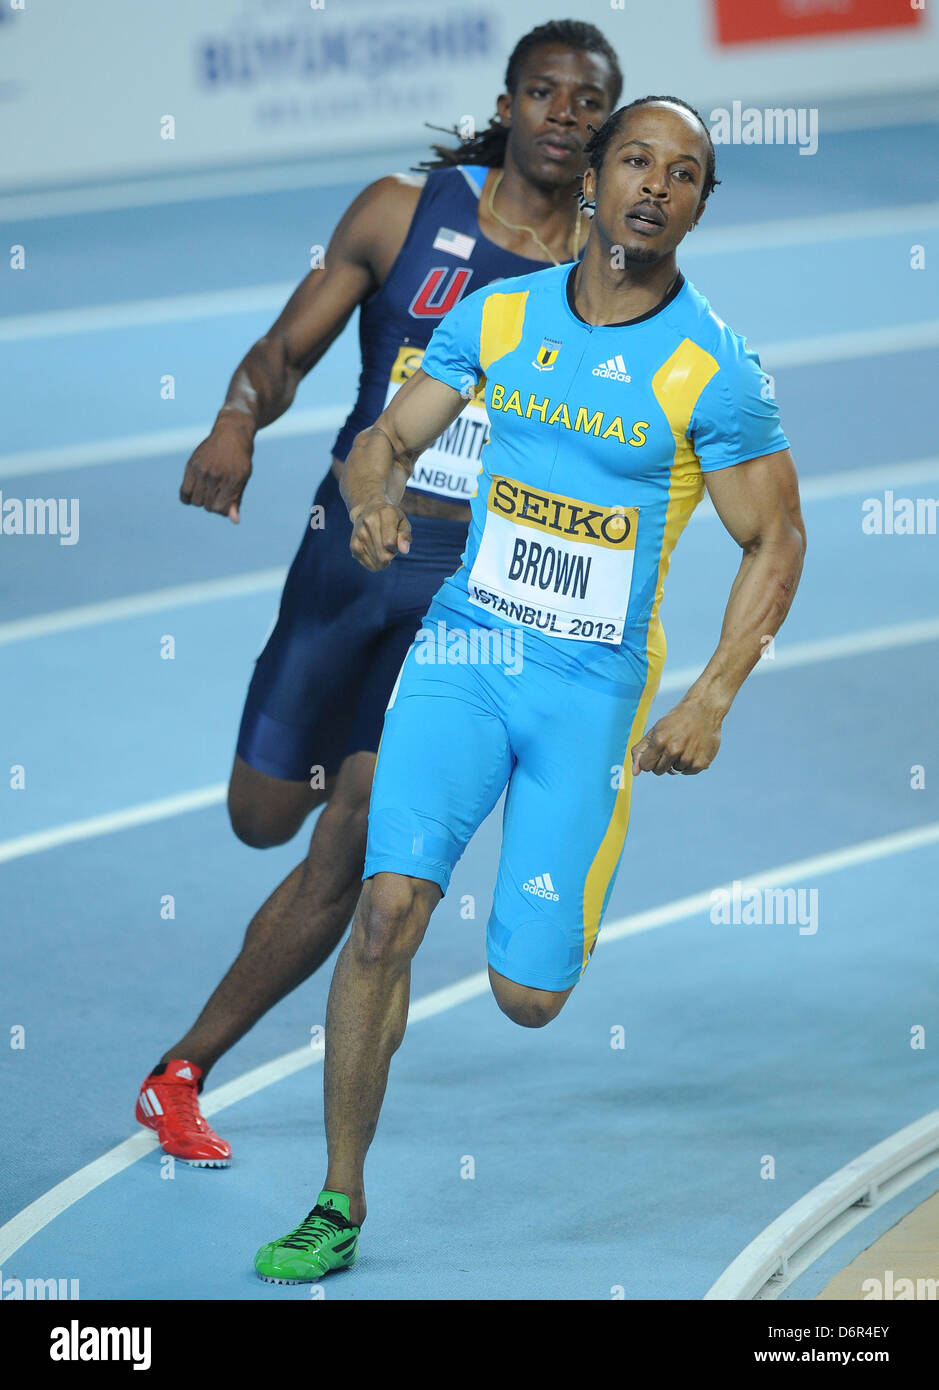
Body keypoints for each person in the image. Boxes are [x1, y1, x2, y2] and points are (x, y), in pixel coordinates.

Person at [253, 95, 807, 1282]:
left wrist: (713, 693)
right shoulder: (499, 315)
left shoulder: (714, 368)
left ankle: (544, 944)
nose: (658, 187)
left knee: (528, 999)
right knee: (386, 912)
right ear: (596, 181)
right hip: (463, 656)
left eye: (688, 174)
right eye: (639, 163)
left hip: (590, 692)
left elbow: (778, 541)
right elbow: (384, 440)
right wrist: (375, 492)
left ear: (702, 206)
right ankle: (339, 1199)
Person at [134, 20, 623, 1165]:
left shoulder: (608, 271)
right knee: (265, 817)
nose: (563, 114)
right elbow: (280, 352)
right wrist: (236, 419)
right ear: (509, 102)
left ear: (607, 125)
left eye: (587, 100)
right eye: (543, 92)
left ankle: (181, 1071)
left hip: (466, 595)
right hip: (343, 565)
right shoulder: (402, 212)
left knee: (353, 841)